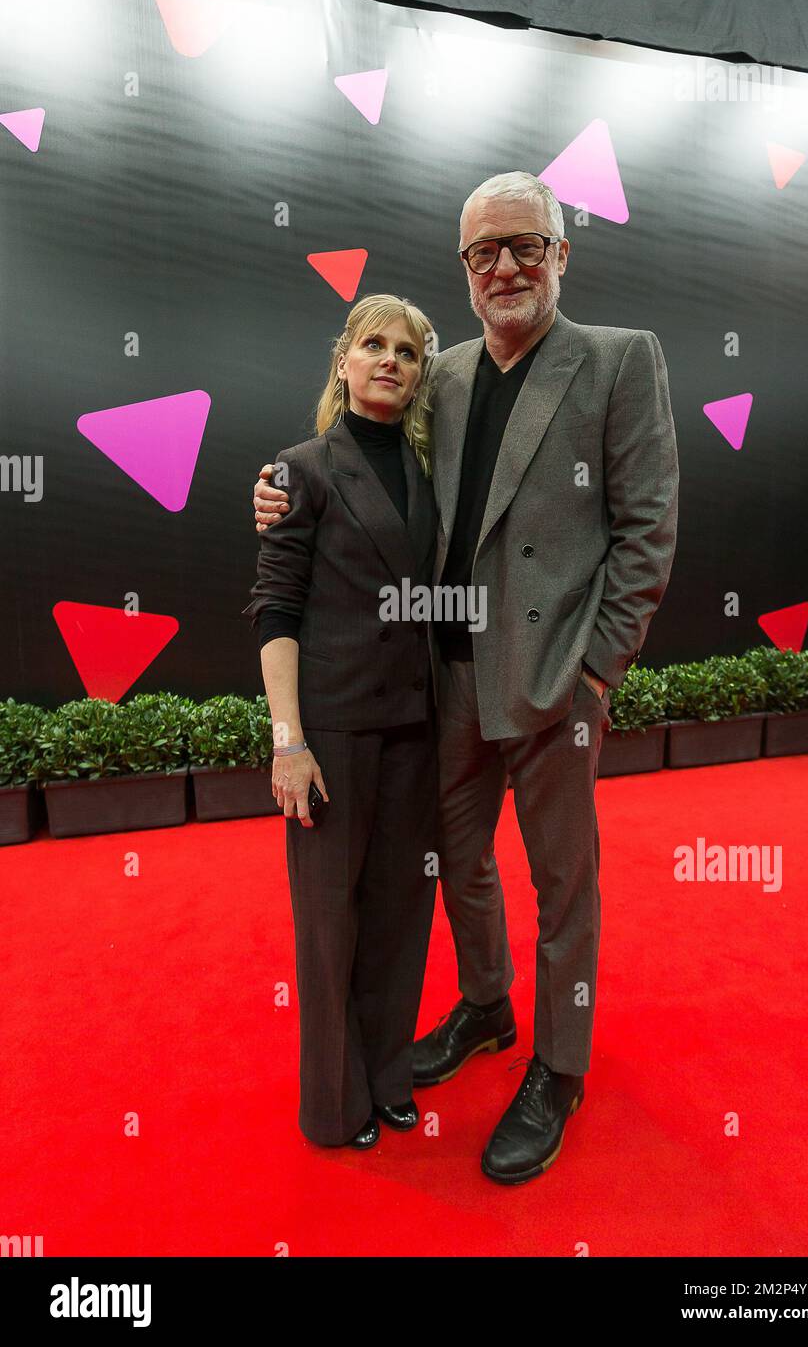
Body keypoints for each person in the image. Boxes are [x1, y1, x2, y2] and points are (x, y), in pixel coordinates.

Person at [254, 171, 679, 1184]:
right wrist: (277, 485)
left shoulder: (619, 360)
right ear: (463, 267)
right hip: (444, 674)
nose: (504, 267)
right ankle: (486, 1005)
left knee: (560, 881)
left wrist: (593, 676)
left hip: (550, 685)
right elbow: (355, 455)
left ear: (561, 254)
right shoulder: (437, 372)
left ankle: (559, 1064)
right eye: (482, 252)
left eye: (524, 245)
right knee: (458, 862)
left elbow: (646, 532)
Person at [243, 293, 440, 1150]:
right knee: (330, 919)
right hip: (331, 731)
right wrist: (289, 742)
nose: (389, 359)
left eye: (406, 350)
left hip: (417, 728)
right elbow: (274, 610)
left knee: (402, 911)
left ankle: (390, 1077)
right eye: (374, 345)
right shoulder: (299, 469)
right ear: (344, 361)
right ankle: (335, 1101)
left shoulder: (436, 473)